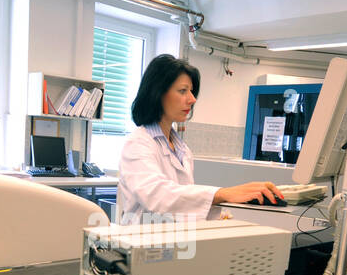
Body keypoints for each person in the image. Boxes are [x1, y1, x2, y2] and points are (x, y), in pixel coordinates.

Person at [116, 54, 283, 224]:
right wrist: (222, 194)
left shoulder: (181, 149)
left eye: (191, 91)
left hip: (174, 240)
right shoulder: (138, 144)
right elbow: (158, 195)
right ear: (157, 93)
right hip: (142, 242)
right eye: (182, 91)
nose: (192, 99)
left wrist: (221, 214)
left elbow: (183, 205)